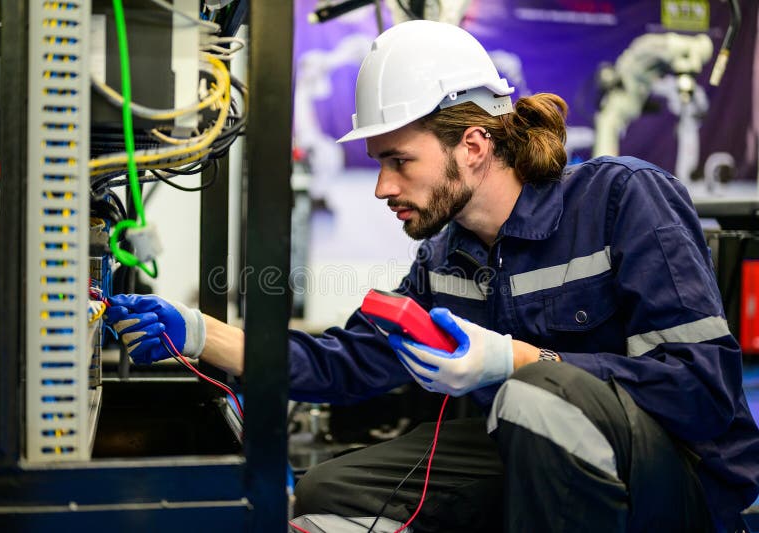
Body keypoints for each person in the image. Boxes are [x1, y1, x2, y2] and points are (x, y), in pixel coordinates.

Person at [104, 20, 759, 533]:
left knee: (536, 395)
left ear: (473, 145)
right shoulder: (448, 255)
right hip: (523, 456)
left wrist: (516, 358)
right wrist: (197, 332)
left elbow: (702, 387)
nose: (383, 185)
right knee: (326, 492)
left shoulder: (624, 199)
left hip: (677, 481)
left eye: (398, 159)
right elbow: (347, 361)